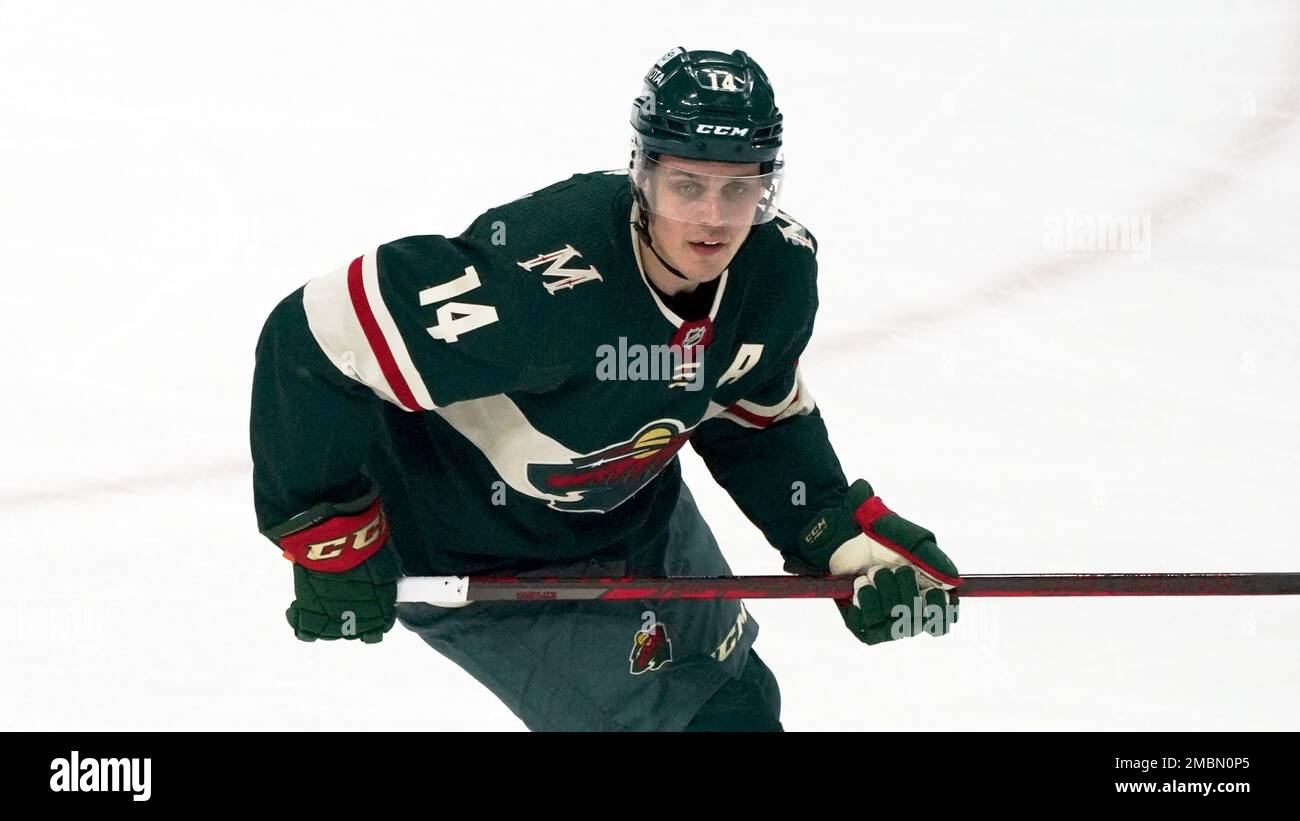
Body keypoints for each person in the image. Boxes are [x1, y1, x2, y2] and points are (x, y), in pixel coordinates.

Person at [250, 46, 960, 732]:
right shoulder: (537, 288)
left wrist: (835, 530)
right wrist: (330, 535)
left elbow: (754, 418)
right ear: (642, 175)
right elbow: (313, 338)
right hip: (479, 549)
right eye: (688, 185)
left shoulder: (774, 273)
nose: (713, 218)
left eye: (738, 188)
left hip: (635, 513)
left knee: (742, 692)